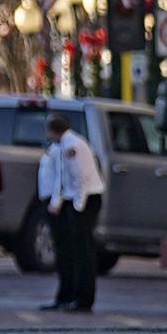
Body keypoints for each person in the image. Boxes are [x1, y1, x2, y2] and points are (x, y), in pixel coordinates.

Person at [38, 111, 106, 312]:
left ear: (53, 130)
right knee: (69, 249)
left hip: (84, 199)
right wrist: (57, 201)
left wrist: (77, 206)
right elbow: (62, 177)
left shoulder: (72, 146)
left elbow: (80, 178)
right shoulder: (61, 146)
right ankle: (67, 295)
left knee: (82, 249)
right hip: (72, 199)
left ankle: (84, 298)